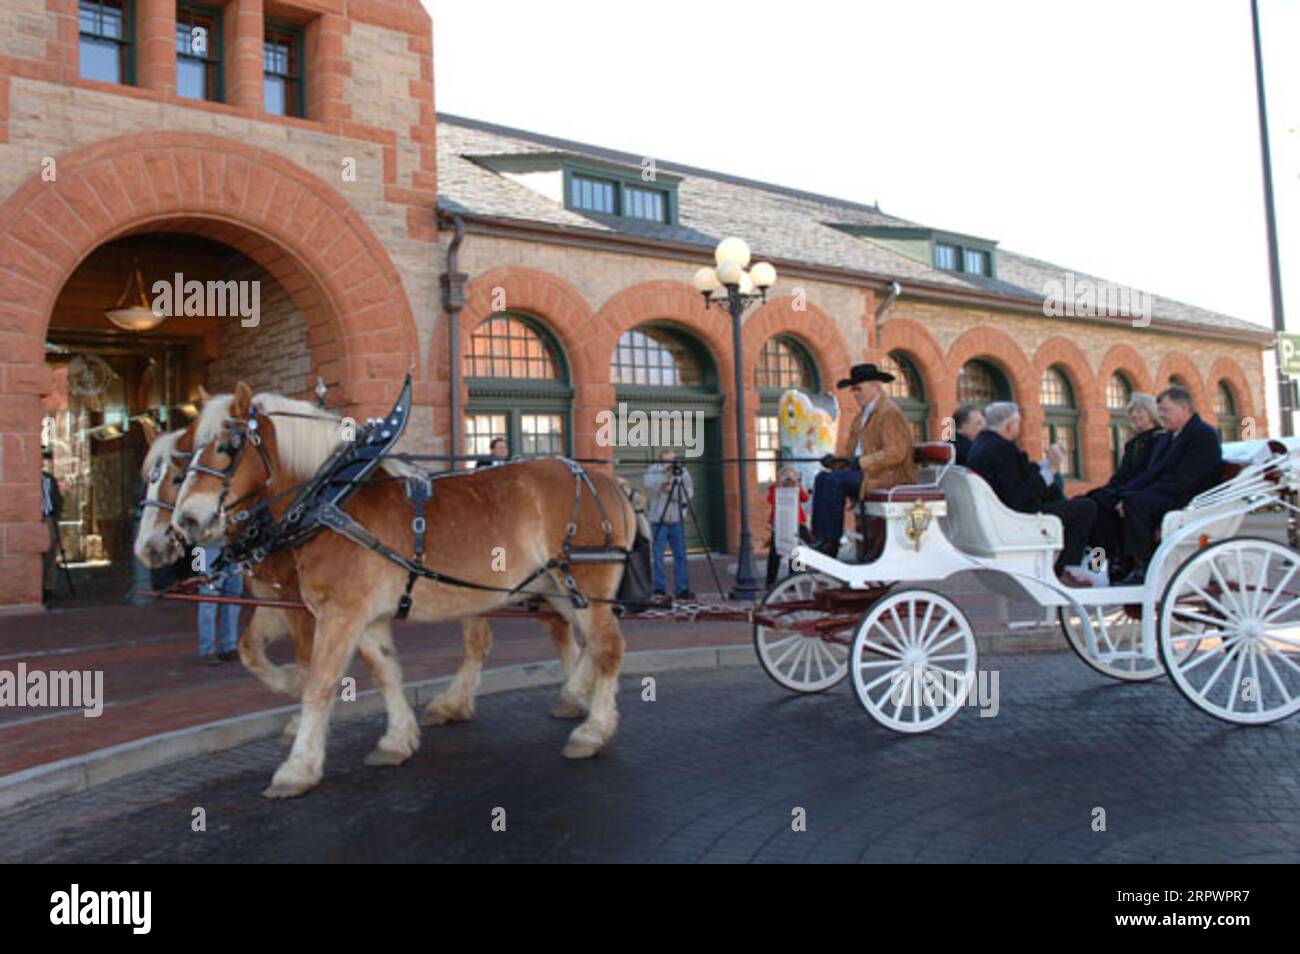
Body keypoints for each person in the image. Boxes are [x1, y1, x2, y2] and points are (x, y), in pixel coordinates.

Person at [1100, 385, 1223, 585]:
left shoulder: (1202, 435)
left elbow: (1185, 479)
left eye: (1165, 410)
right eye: (1160, 411)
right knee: (1104, 501)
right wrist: (1123, 493)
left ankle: (1144, 566)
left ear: (1184, 408)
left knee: (1135, 504)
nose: (1162, 415)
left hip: (1189, 498)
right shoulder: (1165, 438)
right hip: (1167, 492)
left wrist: (1134, 496)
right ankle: (1111, 562)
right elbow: (1149, 474)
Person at [967, 402, 1097, 587]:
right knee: (1088, 507)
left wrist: (1046, 465)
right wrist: (1051, 469)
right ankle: (1071, 569)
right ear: (1009, 426)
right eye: (1018, 423)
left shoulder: (981, 445)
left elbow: (1018, 476)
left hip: (998, 513)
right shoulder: (1002, 449)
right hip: (1015, 517)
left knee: (1078, 501)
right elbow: (1019, 497)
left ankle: (1090, 562)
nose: (1019, 428)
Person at [809, 363, 916, 556]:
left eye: (859, 389)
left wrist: (861, 462)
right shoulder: (861, 418)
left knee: (834, 481)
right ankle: (820, 536)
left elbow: (896, 452)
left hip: (887, 477)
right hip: (866, 474)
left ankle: (830, 541)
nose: (855, 394)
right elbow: (851, 453)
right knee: (823, 477)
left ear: (876, 386)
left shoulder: (889, 413)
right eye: (853, 390)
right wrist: (837, 461)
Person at [1082, 393, 1162, 581]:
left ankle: (1120, 560)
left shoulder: (1159, 440)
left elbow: (1149, 474)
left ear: (1151, 413)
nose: (1135, 415)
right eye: (1132, 411)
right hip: (1126, 489)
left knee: (1102, 502)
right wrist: (1108, 490)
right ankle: (1101, 560)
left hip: (1142, 492)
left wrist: (1123, 495)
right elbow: (1121, 475)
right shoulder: (1132, 444)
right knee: (1091, 501)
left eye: (1139, 410)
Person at [644, 450, 695, 601]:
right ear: (661, 461)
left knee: (680, 555)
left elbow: (687, 494)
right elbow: (650, 489)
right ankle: (658, 587)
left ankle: (682, 588)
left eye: (672, 461)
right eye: (666, 461)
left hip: (676, 521)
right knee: (657, 556)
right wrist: (665, 478)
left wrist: (671, 491)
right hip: (658, 520)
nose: (669, 465)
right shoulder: (653, 471)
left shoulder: (682, 473)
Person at [197, 543, 243, 665]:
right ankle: (207, 650)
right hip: (208, 548)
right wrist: (197, 566)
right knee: (208, 600)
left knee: (233, 598)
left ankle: (228, 646)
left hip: (236, 548)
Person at [765, 466, 811, 588]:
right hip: (781, 521)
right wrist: (779, 486)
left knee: (796, 551)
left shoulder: (796, 487)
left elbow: (805, 498)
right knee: (776, 551)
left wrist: (797, 486)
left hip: (796, 522)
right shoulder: (776, 488)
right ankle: (770, 580)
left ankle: (794, 579)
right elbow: (771, 500)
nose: (788, 480)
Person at [40, 449, 63, 605]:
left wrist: (57, 513)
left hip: (49, 517)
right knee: (39, 553)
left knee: (51, 551)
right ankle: (38, 586)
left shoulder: (49, 479)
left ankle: (48, 586)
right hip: (37, 518)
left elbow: (57, 498)